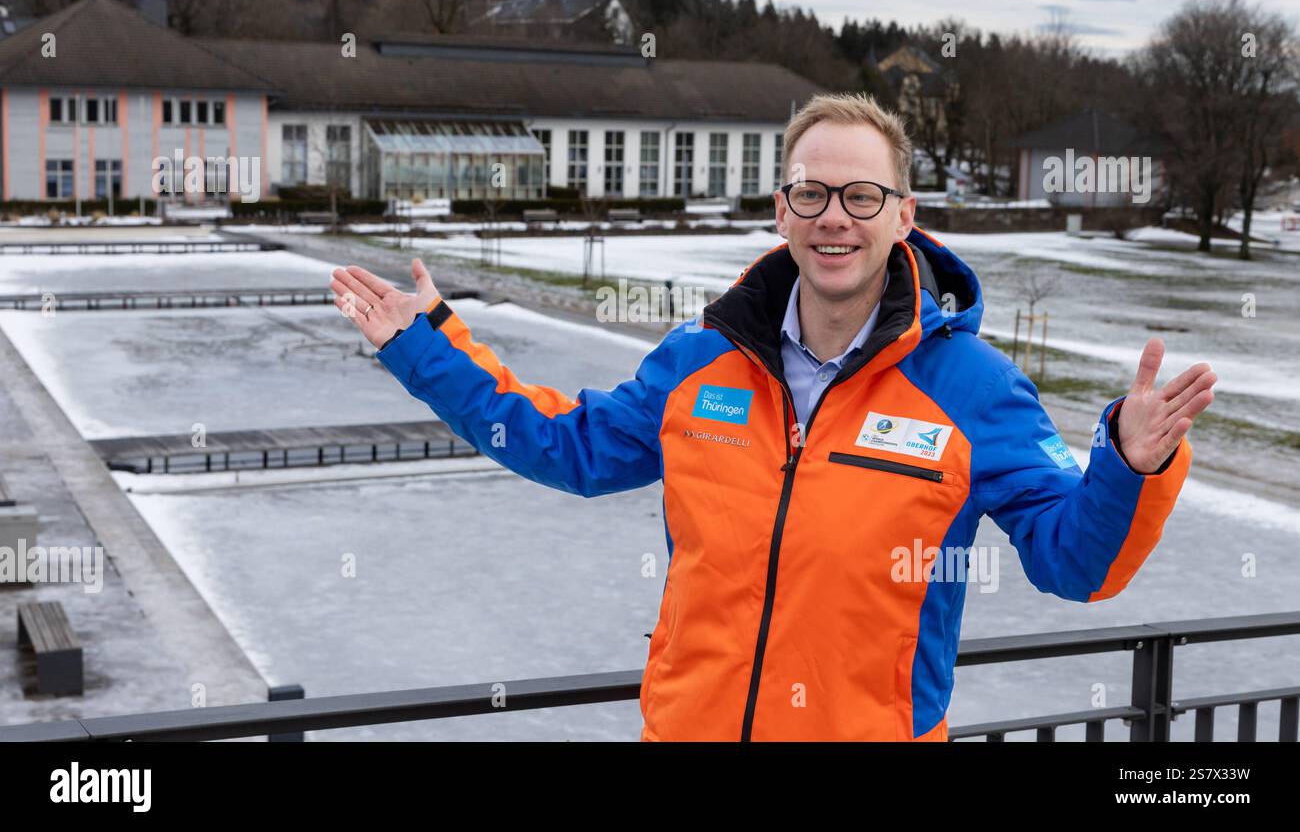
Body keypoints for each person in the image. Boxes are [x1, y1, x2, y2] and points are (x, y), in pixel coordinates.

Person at [330, 92, 1217, 741]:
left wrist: (1128, 465)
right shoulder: (701, 360)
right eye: (812, 194)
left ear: (904, 215)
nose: (836, 218)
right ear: (781, 209)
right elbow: (565, 445)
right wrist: (430, 348)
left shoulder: (972, 390)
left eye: (862, 196)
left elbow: (1073, 562)